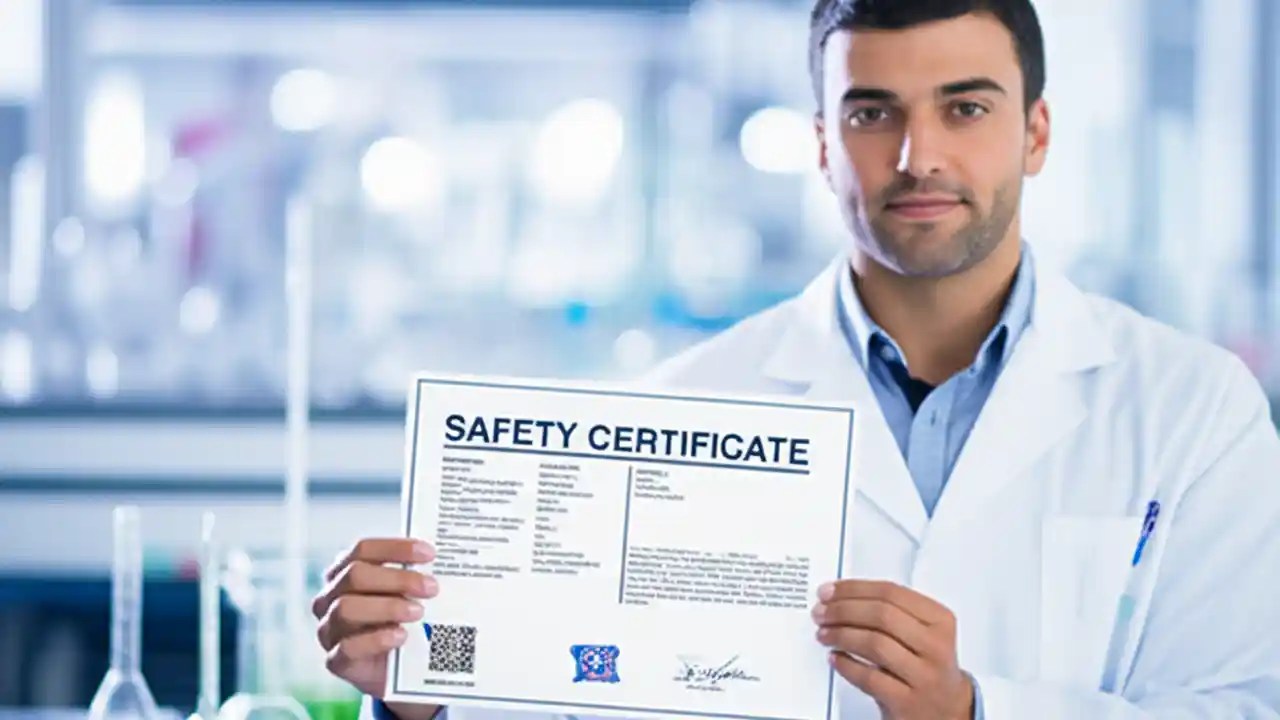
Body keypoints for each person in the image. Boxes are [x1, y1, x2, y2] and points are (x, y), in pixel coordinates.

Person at [312, 0, 1280, 718]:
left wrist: (976, 711)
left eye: (964, 109)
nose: (917, 155)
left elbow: (1245, 703)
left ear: (1035, 132)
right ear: (822, 144)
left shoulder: (1190, 408)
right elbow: (583, 697)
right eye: (871, 114)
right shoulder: (684, 407)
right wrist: (416, 693)